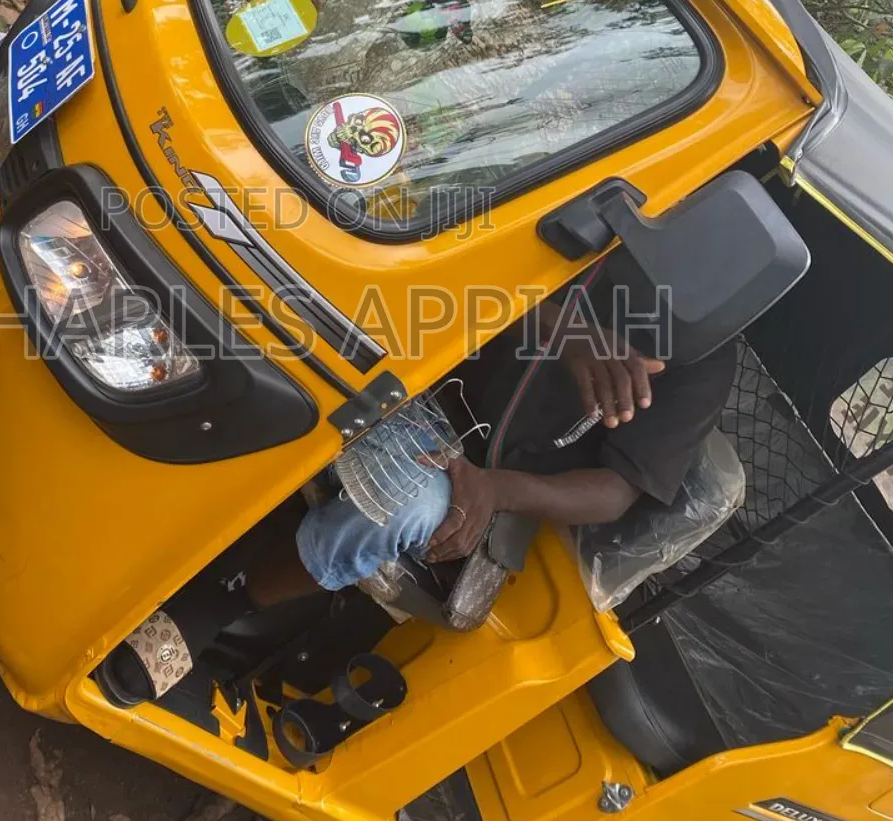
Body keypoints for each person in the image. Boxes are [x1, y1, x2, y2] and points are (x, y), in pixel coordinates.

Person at [99, 274, 737, 702]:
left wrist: (496, 488)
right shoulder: (597, 212)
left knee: (409, 506)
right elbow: (467, 278)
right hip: (417, 354)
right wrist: (562, 331)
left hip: (468, 459)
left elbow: (617, 490)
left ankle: (220, 602)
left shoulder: (704, 355)